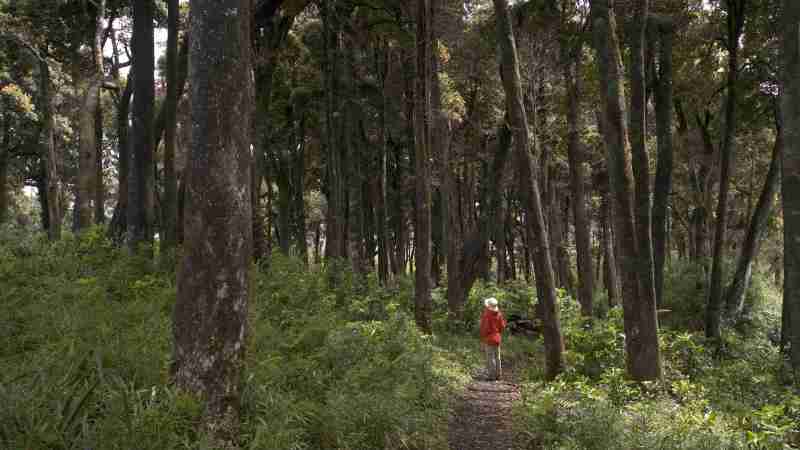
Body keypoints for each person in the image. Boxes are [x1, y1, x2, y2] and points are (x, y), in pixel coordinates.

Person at [479, 297, 507, 381]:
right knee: (497, 357)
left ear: (488, 306)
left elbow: (484, 328)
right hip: (497, 338)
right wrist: (498, 332)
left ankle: (492, 375)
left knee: (490, 357)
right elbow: (502, 326)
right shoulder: (499, 314)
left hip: (489, 338)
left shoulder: (487, 315)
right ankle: (498, 375)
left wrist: (483, 337)